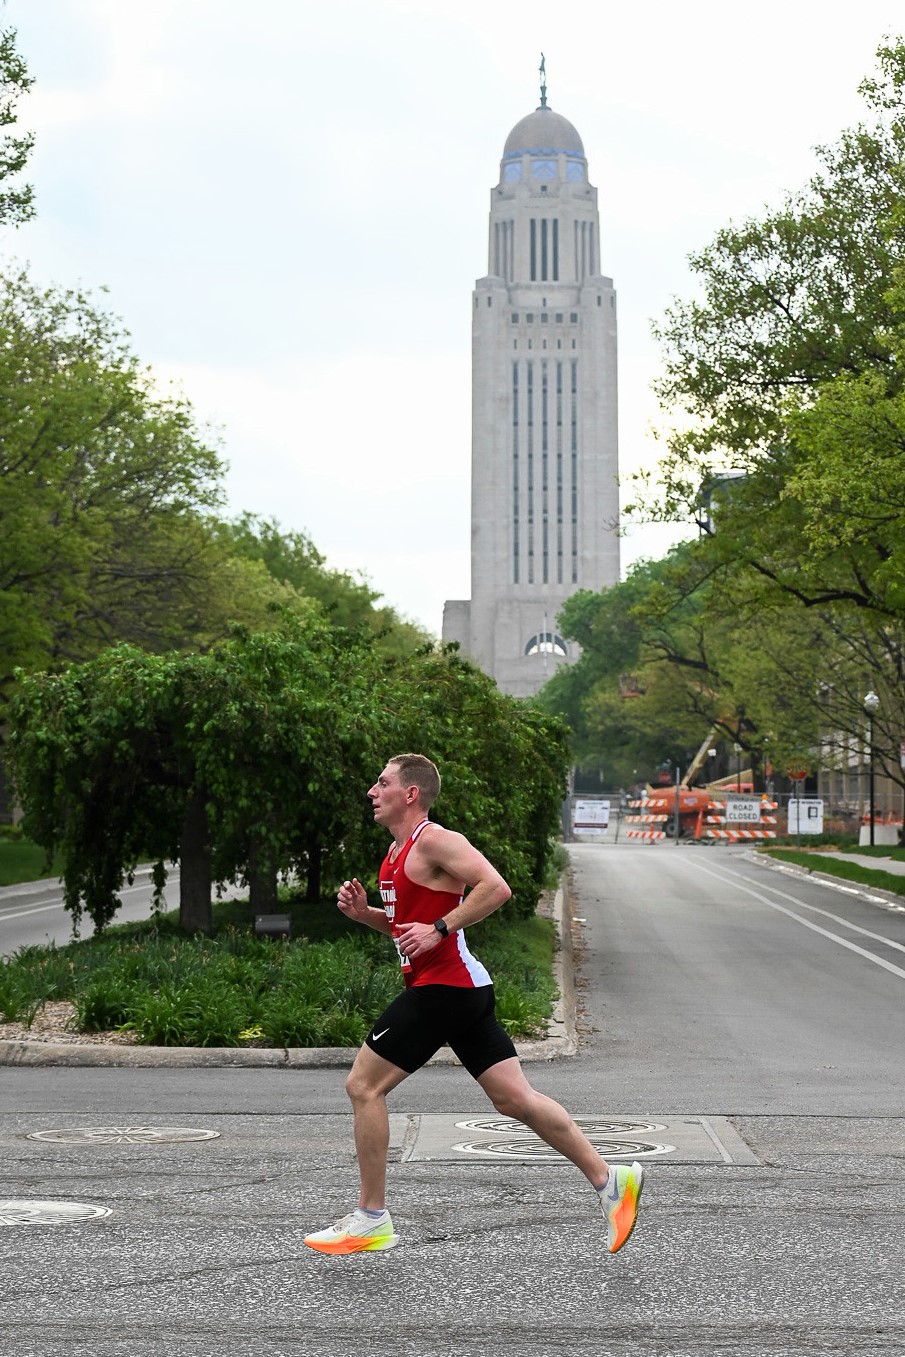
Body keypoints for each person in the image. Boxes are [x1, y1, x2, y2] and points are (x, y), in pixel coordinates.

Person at [303, 753, 643, 1257]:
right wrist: (365, 914)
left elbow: (496, 888)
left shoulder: (435, 840)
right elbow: (407, 932)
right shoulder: (395, 854)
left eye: (382, 783)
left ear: (410, 793)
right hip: (463, 990)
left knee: (363, 1086)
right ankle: (610, 1180)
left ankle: (371, 1219)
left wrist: (442, 927)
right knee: (513, 1099)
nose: (372, 792)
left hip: (446, 988)